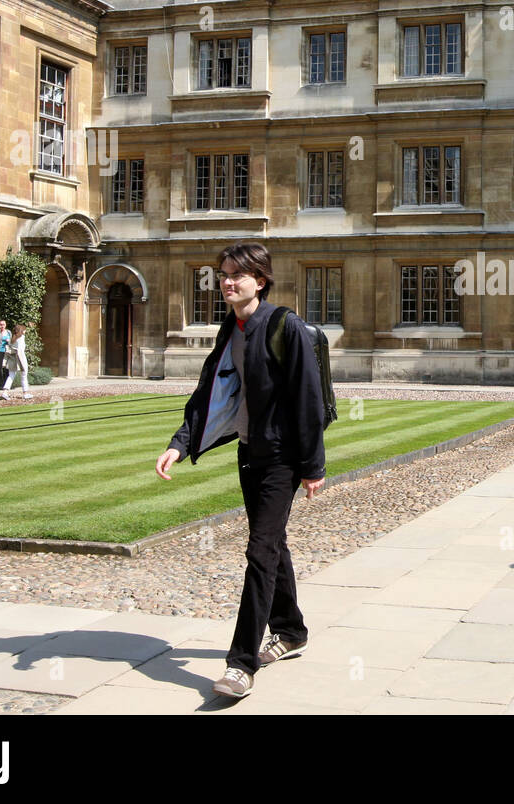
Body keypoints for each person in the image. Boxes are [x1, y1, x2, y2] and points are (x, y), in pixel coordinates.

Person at [155, 243, 326, 700]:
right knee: (272, 545)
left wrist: (313, 467)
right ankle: (290, 630)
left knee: (259, 552)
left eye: (238, 275)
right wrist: (180, 443)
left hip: (282, 459)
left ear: (261, 280)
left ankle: (240, 664)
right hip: (249, 453)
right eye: (224, 274)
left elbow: (308, 399)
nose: (228, 281)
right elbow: (208, 391)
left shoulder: (284, 326)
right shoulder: (230, 328)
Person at [0, 324, 32, 401]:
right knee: (24, 375)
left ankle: (5, 392)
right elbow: (20, 350)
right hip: (20, 358)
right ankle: (25, 393)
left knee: (11, 375)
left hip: (12, 359)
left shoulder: (12, 338)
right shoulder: (21, 338)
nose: (25, 331)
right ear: (21, 331)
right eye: (24, 330)